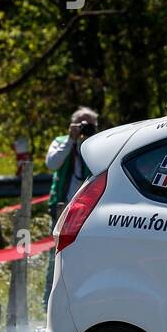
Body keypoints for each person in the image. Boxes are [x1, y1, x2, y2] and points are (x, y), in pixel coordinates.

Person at [43, 106, 99, 310]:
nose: (86, 128)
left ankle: (79, 302)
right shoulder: (61, 142)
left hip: (88, 209)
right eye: (82, 124)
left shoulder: (97, 144)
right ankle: (48, 303)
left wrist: (87, 142)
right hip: (61, 206)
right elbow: (52, 164)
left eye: (90, 125)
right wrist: (71, 140)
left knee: (85, 255)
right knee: (55, 255)